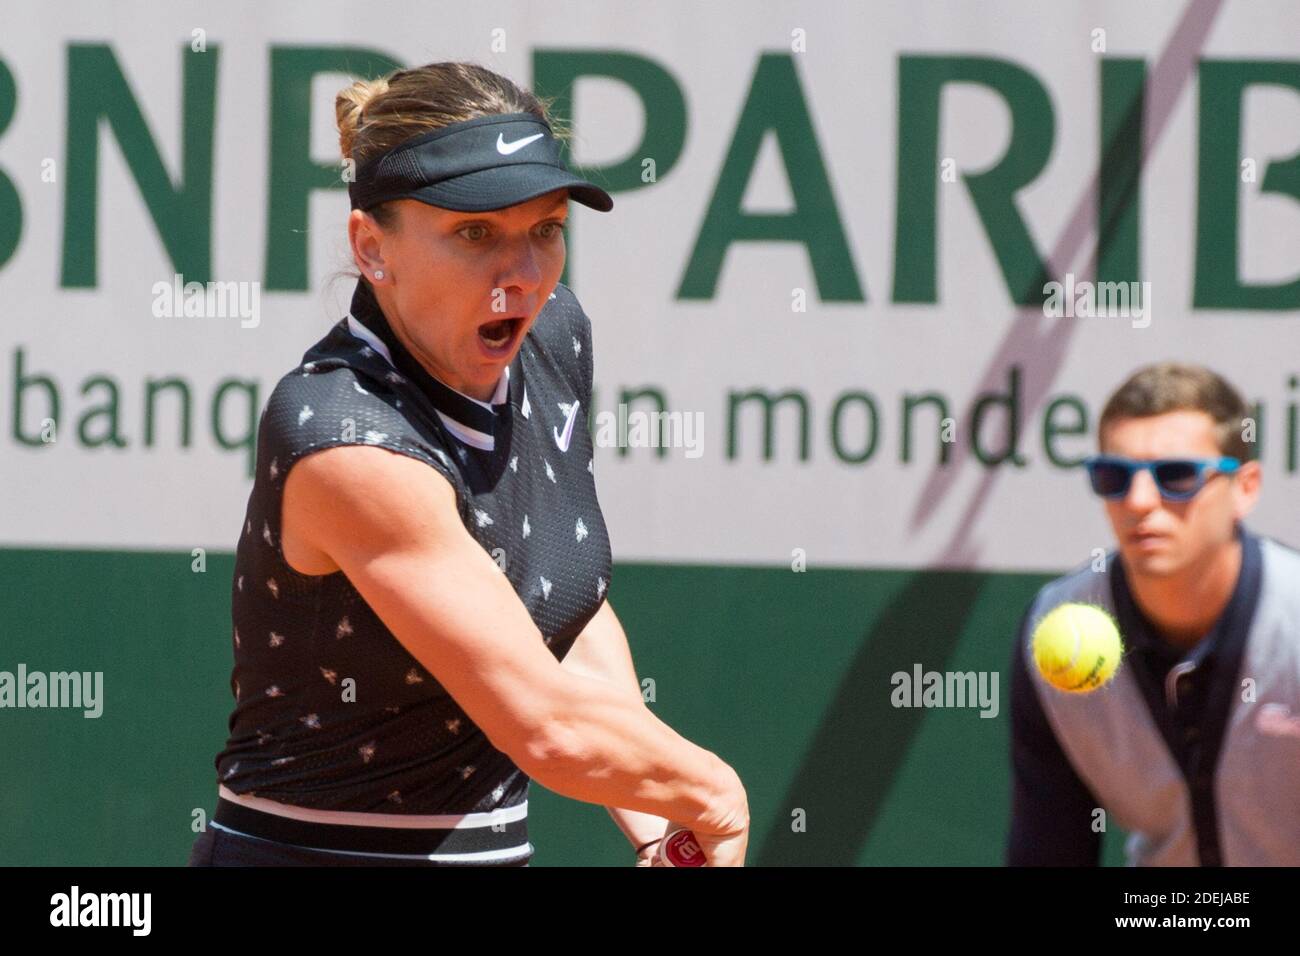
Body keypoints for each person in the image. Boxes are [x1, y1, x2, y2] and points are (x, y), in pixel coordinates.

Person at [188, 61, 748, 867]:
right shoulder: (345, 439)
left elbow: (554, 605)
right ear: (371, 248)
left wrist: (660, 821)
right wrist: (712, 793)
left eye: (546, 229)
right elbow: (545, 725)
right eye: (475, 233)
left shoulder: (551, 335)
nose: (522, 275)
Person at [1007, 362, 1300, 866]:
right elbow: (1050, 849)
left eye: (1177, 475)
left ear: (1246, 488)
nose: (1140, 502)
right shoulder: (1055, 628)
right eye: (1113, 477)